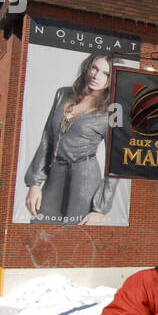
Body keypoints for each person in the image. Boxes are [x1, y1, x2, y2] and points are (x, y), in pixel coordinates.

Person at [24, 51, 119, 225]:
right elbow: (47, 138)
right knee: (41, 229)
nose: (97, 76)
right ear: (87, 68)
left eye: (106, 73)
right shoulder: (62, 94)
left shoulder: (114, 109)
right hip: (55, 173)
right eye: (94, 68)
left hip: (84, 180)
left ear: (113, 78)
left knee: (74, 238)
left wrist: (100, 209)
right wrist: (35, 183)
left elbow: (116, 160)